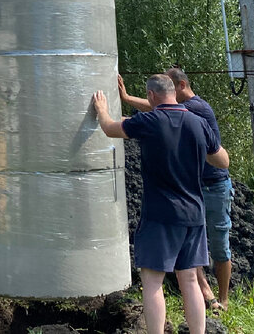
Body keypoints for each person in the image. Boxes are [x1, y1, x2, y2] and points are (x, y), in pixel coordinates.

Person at [93, 74, 229, 334]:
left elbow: (110, 128)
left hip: (161, 213)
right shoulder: (198, 122)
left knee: (153, 279)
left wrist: (101, 110)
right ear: (173, 93)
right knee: (189, 279)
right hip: (194, 213)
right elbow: (222, 160)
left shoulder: (149, 121)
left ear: (152, 96)